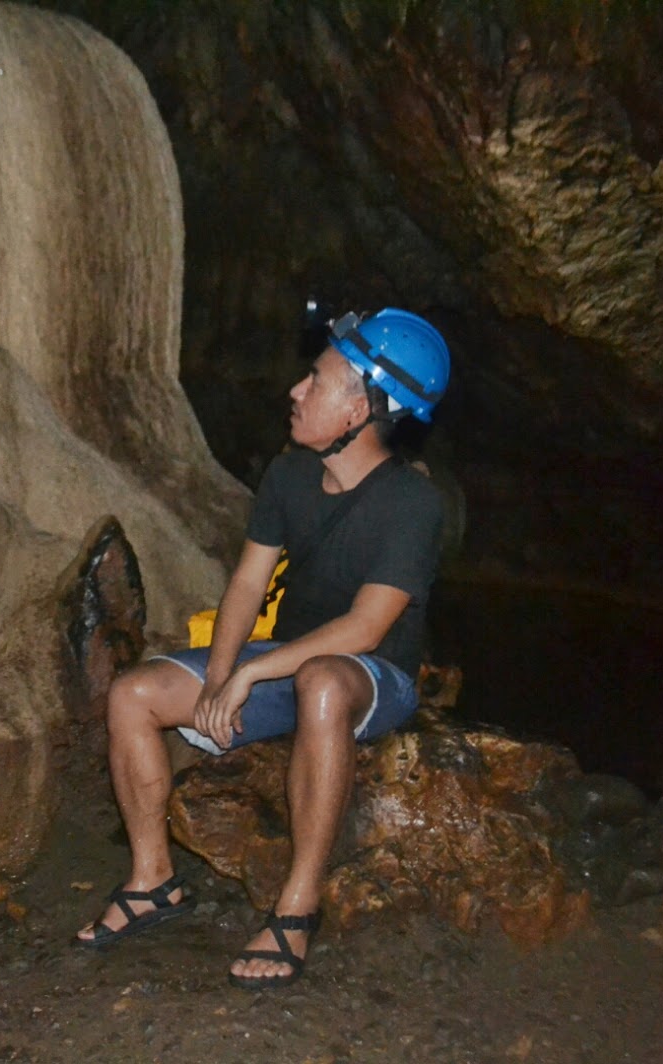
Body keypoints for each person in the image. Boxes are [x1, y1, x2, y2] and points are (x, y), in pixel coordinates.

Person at [73, 308, 450, 991]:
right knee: (132, 694)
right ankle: (151, 878)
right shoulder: (288, 475)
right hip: (284, 660)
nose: (297, 392)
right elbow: (248, 583)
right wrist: (219, 676)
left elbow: (365, 630)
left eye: (317, 381)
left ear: (361, 408)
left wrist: (250, 673)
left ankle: (298, 906)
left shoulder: (412, 506)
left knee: (325, 683)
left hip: (372, 676)